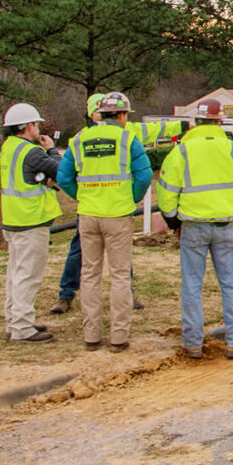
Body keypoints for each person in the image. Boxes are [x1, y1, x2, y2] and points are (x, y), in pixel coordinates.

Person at [157, 99, 233, 360]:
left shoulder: (181, 152)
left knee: (192, 284)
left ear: (196, 122)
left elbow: (166, 193)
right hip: (225, 227)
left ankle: (192, 344)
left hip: (193, 227)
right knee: (230, 283)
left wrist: (174, 223)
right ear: (219, 121)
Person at [57, 91, 152, 352]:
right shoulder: (127, 138)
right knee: (120, 276)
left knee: (90, 275)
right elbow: (144, 176)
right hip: (118, 215)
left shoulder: (79, 139)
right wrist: (129, 199)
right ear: (121, 115)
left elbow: (63, 177)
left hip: (88, 215)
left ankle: (92, 336)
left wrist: (83, 197)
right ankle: (119, 337)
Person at [0, 103, 61, 343]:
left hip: (13, 220)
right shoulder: (31, 151)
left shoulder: (9, 147)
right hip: (30, 221)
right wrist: (52, 150)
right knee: (28, 276)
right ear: (27, 126)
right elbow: (60, 171)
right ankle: (22, 328)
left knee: (15, 274)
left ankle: (14, 321)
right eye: (36, 124)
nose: (39, 128)